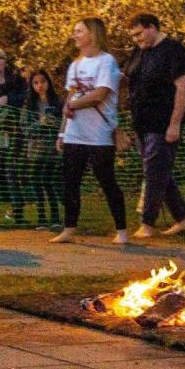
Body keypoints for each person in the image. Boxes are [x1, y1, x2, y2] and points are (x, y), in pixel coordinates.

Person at [51, 18, 127, 244]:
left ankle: (121, 230)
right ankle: (69, 229)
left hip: (99, 134)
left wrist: (73, 105)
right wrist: (62, 132)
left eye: (79, 31)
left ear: (92, 34)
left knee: (107, 181)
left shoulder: (106, 62)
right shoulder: (75, 65)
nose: (74, 35)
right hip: (75, 133)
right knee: (70, 182)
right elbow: (69, 98)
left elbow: (100, 94)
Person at [126, 13, 185, 238]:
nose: (136, 39)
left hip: (163, 123)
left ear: (152, 27)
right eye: (133, 36)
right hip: (141, 122)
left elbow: (183, 86)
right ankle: (183, 219)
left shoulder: (174, 50)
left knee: (154, 172)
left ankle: (147, 223)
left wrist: (175, 123)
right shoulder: (139, 52)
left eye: (139, 34)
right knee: (159, 171)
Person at [0, 47, 26, 224]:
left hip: (14, 133)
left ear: (5, 60)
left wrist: (8, 99)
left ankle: (18, 212)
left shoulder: (17, 79)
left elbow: (25, 97)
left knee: (12, 171)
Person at [22, 70, 63, 228]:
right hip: (35, 150)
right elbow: (25, 128)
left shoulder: (58, 102)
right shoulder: (29, 105)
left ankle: (55, 218)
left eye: (43, 81)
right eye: (36, 82)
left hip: (52, 150)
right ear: (32, 85)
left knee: (49, 182)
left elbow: (65, 123)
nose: (40, 85)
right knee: (36, 182)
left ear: (49, 82)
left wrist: (54, 124)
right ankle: (41, 218)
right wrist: (40, 123)